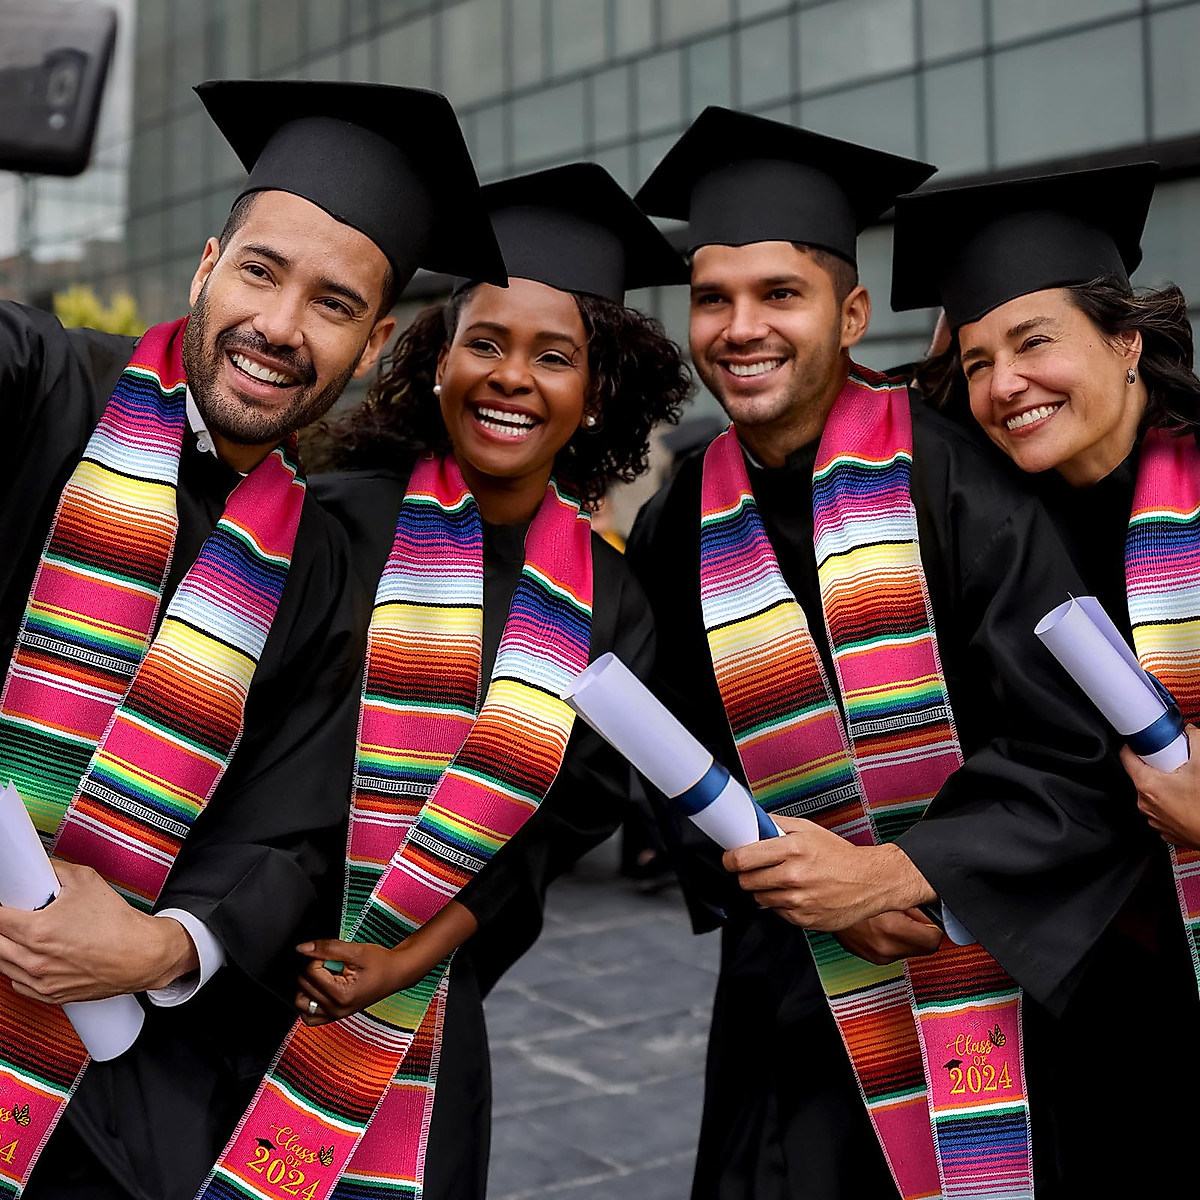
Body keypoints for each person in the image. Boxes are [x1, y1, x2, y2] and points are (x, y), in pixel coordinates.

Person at [627, 106, 1162, 1199]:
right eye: (714, 297)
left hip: (982, 965)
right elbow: (669, 754)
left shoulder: (963, 478)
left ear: (851, 310)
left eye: (781, 293)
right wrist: (776, 875)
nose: (741, 327)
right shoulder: (681, 513)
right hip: (790, 984)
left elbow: (1070, 744)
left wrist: (897, 873)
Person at [0, 79, 503, 1200]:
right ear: (207, 266)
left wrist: (164, 948)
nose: (278, 327)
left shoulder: (320, 570)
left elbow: (294, 833)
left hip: (98, 1084)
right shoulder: (45, 391)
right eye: (263, 272)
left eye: (333, 304)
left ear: (373, 346)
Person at [222, 163, 692, 1200]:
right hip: (228, 982)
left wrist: (405, 957)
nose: (513, 377)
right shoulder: (323, 517)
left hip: (418, 992)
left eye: (554, 356)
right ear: (436, 360)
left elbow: (558, 828)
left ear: (596, 390)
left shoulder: (611, 603)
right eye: (485, 341)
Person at [893, 162, 1200, 1193]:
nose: (1004, 386)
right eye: (977, 361)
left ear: (1125, 339)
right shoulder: (979, 527)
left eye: (1034, 342)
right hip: (1083, 984)